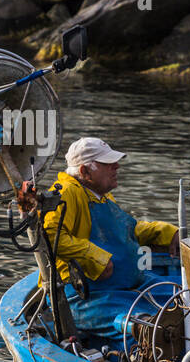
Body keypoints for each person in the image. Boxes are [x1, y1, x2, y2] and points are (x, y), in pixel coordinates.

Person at [43, 137, 179, 347]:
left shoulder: (101, 195)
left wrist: (166, 233)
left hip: (126, 286)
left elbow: (128, 231)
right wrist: (94, 258)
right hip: (86, 297)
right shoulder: (67, 192)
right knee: (147, 330)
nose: (116, 166)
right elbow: (50, 235)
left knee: (183, 299)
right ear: (85, 172)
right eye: (107, 164)